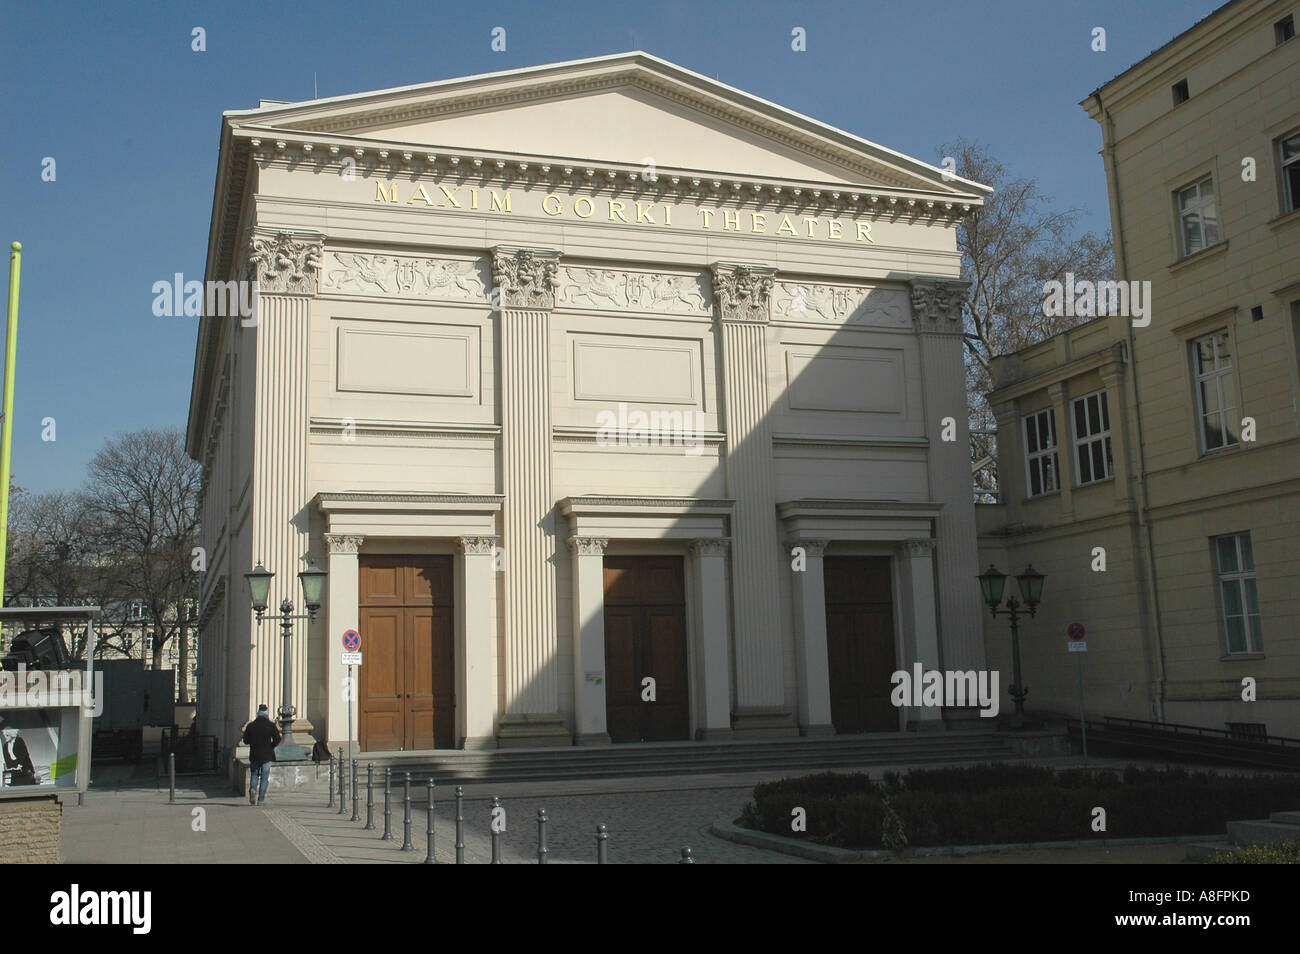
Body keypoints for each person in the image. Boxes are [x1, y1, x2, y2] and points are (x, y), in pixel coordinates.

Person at [241, 705, 280, 805]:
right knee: (264, 777)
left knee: (254, 775)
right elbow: (277, 740)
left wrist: (253, 742)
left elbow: (245, 741)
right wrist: (271, 746)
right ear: (267, 715)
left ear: (258, 714)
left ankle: (253, 789)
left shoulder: (251, 726)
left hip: (254, 755)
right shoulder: (271, 725)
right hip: (267, 755)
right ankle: (261, 800)